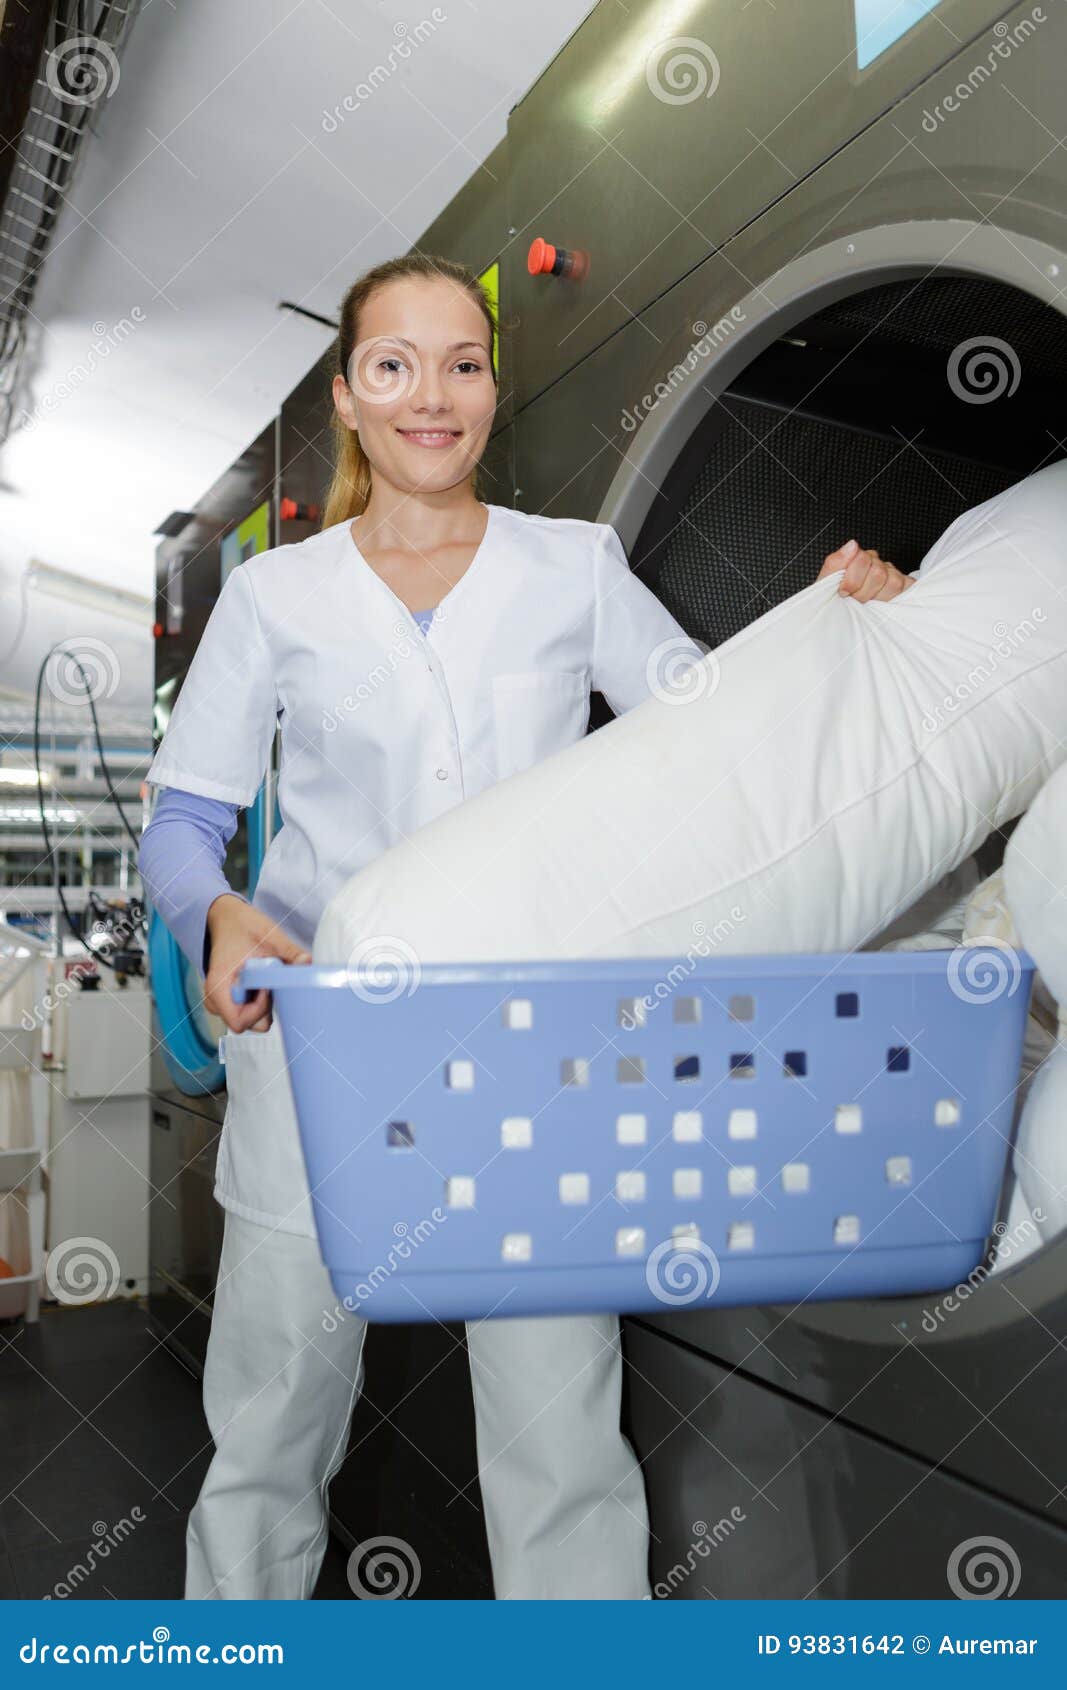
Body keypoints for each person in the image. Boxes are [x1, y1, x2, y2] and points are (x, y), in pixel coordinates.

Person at [138, 252, 913, 1601]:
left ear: (494, 388)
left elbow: (716, 736)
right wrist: (216, 914)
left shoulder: (576, 568)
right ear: (350, 395)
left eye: (464, 362)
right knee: (267, 1437)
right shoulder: (276, 597)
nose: (431, 394)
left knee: (563, 1457)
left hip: (532, 1061)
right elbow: (184, 819)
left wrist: (839, 617)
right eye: (396, 364)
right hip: (323, 1048)